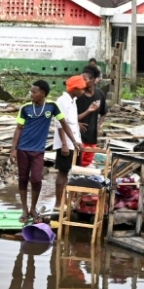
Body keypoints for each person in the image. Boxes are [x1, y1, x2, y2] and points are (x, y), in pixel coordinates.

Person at [10, 80, 79, 222]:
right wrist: (13, 150)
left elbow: (64, 124)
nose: (31, 94)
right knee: (23, 179)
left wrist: (73, 141)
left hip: (38, 151)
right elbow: (18, 129)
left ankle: (33, 208)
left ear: (43, 94)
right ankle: (24, 210)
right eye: (31, 91)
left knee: (36, 179)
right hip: (23, 149)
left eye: (34, 92)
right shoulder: (25, 108)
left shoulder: (52, 107)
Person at [53, 76, 87, 210]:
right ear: (75, 88)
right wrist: (64, 144)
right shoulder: (62, 101)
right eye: (82, 89)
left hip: (74, 143)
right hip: (66, 144)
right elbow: (60, 123)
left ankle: (67, 202)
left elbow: (73, 125)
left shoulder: (73, 101)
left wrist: (78, 142)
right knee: (63, 172)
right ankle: (58, 204)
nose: (83, 91)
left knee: (72, 173)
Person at [76, 65, 108, 167]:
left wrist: (98, 125)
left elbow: (104, 112)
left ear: (93, 80)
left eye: (84, 79)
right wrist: (76, 123)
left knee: (86, 164)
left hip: (92, 137)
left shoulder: (99, 94)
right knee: (77, 164)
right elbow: (69, 116)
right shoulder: (78, 96)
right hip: (79, 137)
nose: (81, 82)